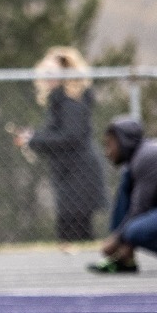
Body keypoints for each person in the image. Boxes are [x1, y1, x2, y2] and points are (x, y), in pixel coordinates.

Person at [18, 46, 105, 242]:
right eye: (45, 71)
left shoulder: (71, 101)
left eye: (52, 72)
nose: (48, 77)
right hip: (68, 173)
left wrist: (35, 140)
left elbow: (71, 136)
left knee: (76, 231)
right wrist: (33, 137)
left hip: (80, 174)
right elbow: (57, 133)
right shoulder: (58, 100)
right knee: (69, 230)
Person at [93, 117, 157, 273]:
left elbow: (140, 207)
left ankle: (123, 250)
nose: (107, 152)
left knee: (135, 231)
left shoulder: (147, 157)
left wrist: (116, 239)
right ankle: (124, 258)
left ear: (124, 140)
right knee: (126, 181)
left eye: (109, 144)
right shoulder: (139, 158)